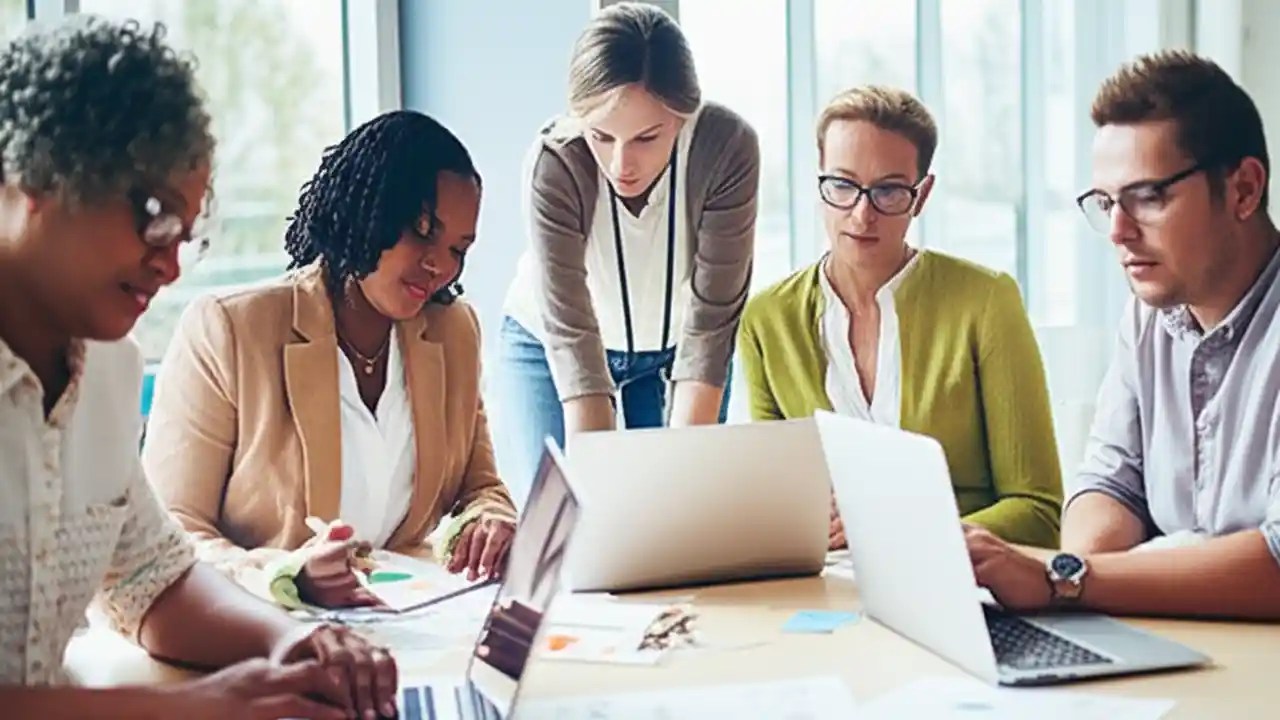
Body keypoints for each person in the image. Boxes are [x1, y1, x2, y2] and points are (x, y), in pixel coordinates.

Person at [0, 16, 395, 718]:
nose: (171, 261)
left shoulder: (108, 376)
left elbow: (153, 580)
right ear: (38, 175)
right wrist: (197, 708)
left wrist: (291, 644)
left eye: (188, 231)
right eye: (153, 216)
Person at [144, 110, 518, 610]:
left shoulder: (454, 333)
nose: (439, 265)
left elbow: (482, 485)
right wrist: (285, 575)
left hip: (407, 624)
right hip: (261, 629)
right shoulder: (229, 330)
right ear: (368, 212)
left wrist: (489, 522)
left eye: (458, 248)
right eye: (422, 230)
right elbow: (169, 536)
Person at [966, 50, 1280, 620]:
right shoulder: (1149, 315)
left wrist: (1065, 580)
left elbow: (1278, 566)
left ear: (1243, 190)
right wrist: (1067, 581)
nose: (1117, 231)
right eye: (1106, 202)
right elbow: (1110, 483)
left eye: (1149, 197)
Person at [738, 85, 1063, 550]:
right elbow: (779, 500)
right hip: (824, 587)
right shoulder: (767, 320)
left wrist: (891, 523)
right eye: (843, 186)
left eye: (888, 190)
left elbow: (1038, 510)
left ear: (921, 195)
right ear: (820, 183)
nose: (862, 214)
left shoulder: (986, 301)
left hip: (963, 579)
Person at [494, 1, 760, 502]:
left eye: (647, 137)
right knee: (566, 522)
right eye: (601, 135)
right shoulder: (556, 160)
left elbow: (712, 320)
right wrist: (594, 503)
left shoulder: (727, 147)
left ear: (684, 115)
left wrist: (683, 487)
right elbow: (571, 330)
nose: (622, 163)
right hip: (552, 345)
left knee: (680, 511)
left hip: (677, 351)